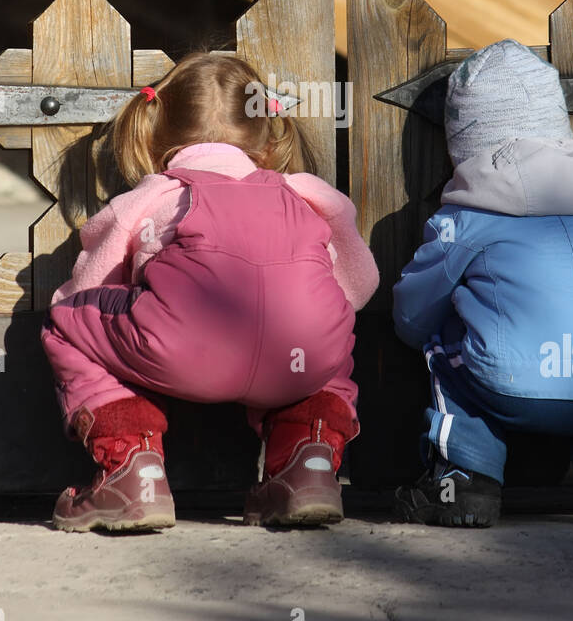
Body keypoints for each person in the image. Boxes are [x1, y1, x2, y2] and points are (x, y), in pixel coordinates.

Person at [41, 51, 378, 532]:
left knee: (67, 321)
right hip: (298, 359)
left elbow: (93, 287)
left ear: (157, 129)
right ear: (266, 133)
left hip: (183, 353)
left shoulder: (157, 194)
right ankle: (309, 465)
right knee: (331, 327)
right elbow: (358, 287)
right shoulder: (308, 195)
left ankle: (132, 468)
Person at [393, 39, 573, 529]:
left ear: (463, 143)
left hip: (517, 386)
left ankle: (464, 482)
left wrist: (415, 326)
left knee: (444, 343)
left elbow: (414, 312)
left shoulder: (469, 215)